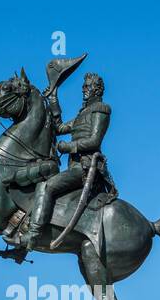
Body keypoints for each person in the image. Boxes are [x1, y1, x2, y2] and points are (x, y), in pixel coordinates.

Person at [21, 71, 112, 252]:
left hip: (86, 168)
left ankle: (33, 234)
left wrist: (69, 147)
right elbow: (60, 127)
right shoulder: (81, 114)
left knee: (46, 187)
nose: (84, 90)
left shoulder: (101, 109)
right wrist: (53, 99)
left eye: (88, 87)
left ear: (97, 89)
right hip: (75, 166)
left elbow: (95, 140)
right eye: (83, 87)